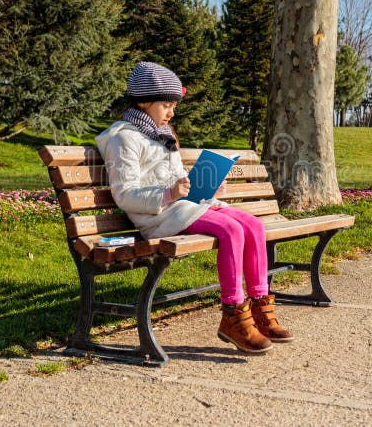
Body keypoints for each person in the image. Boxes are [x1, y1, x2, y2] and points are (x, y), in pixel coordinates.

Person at [95, 61, 294, 354]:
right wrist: (168, 193)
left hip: (182, 208)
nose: (172, 112)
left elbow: (175, 179)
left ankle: (260, 307)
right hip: (158, 217)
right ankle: (233, 314)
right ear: (145, 101)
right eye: (166, 104)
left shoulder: (160, 132)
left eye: (174, 105)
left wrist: (204, 186)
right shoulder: (123, 138)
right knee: (230, 230)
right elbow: (124, 194)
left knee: (253, 225)